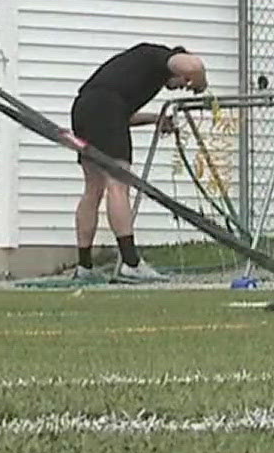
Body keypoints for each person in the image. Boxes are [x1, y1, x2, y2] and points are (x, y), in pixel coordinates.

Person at [69, 43, 208, 282]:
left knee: (93, 189)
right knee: (118, 184)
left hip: (84, 108)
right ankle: (131, 262)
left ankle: (84, 266)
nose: (181, 87)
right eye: (183, 82)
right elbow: (194, 65)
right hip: (105, 107)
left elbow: (122, 116)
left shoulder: (140, 72)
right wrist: (199, 82)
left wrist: (155, 119)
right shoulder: (161, 58)